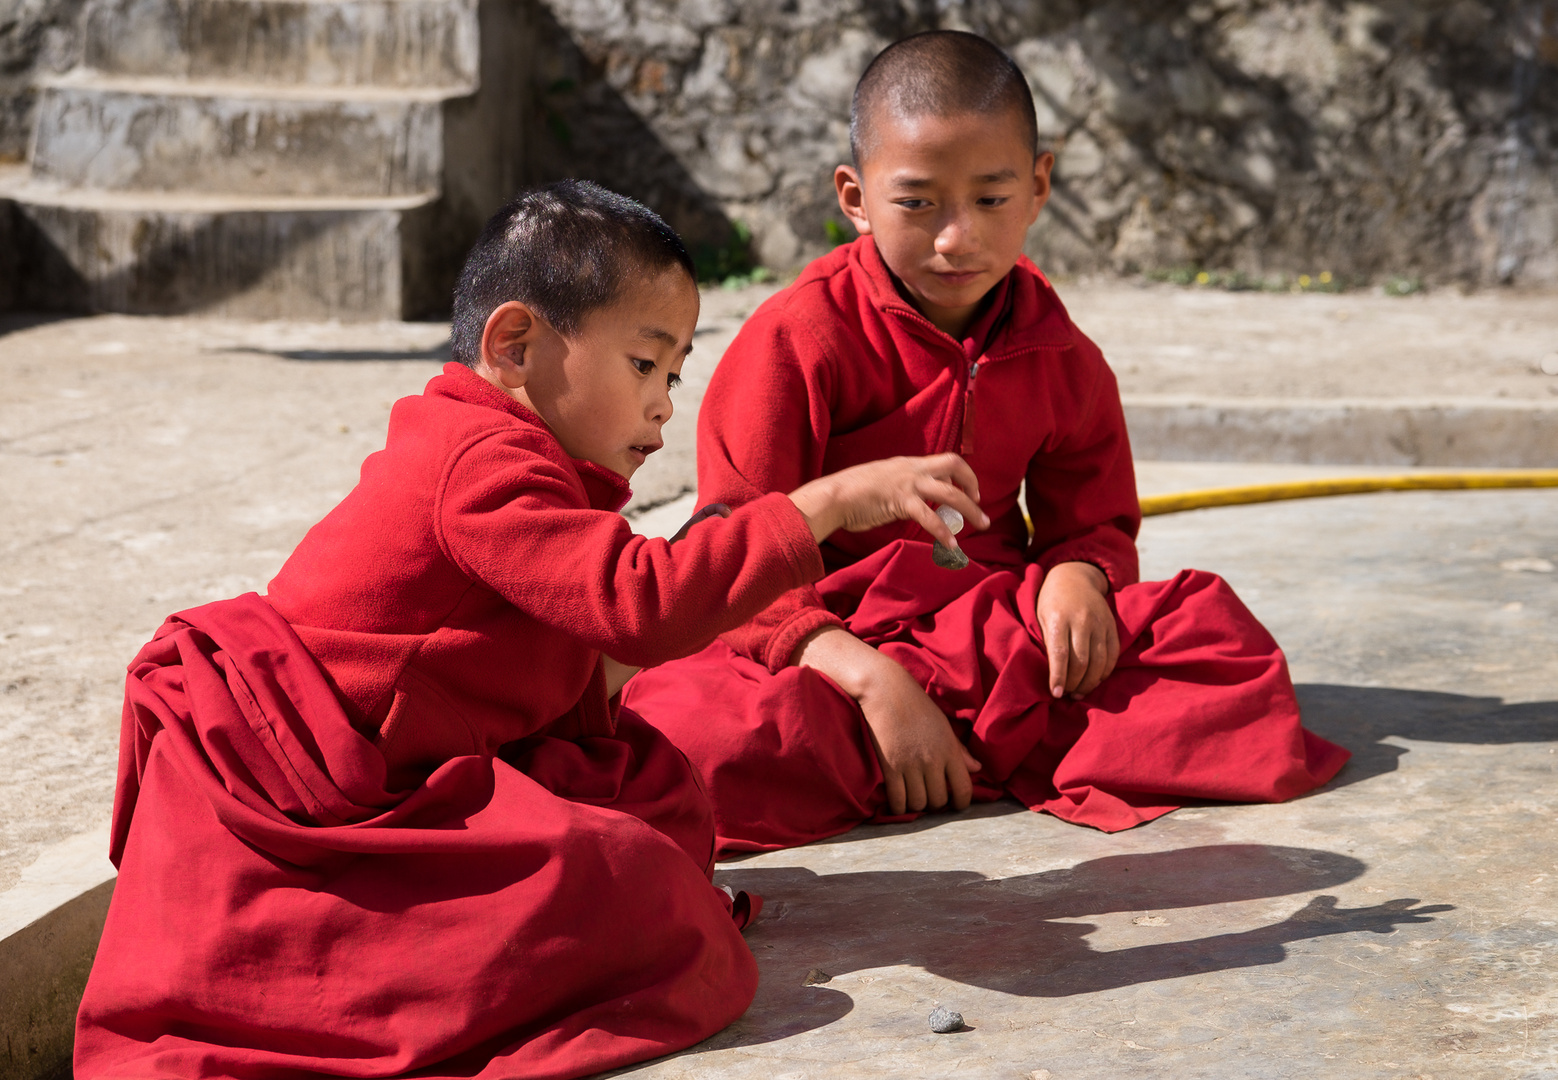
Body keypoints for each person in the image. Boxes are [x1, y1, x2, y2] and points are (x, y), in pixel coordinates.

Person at [73, 180, 987, 1080]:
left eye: (675, 373)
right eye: (643, 365)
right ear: (515, 343)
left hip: (409, 758)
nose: (666, 403)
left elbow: (584, 637)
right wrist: (822, 505)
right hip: (311, 789)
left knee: (653, 792)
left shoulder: (505, 448)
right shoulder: (481, 458)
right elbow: (639, 604)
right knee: (629, 887)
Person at [623, 32, 1350, 855]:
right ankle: (928, 744)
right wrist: (870, 680)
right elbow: (734, 550)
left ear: (1038, 186)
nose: (956, 239)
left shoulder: (1057, 351)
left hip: (994, 638)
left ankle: (934, 755)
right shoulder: (799, 338)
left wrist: (1080, 577)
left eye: (991, 200)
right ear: (855, 197)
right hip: (825, 647)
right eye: (919, 202)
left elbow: (1094, 519)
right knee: (687, 732)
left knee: (1224, 651)